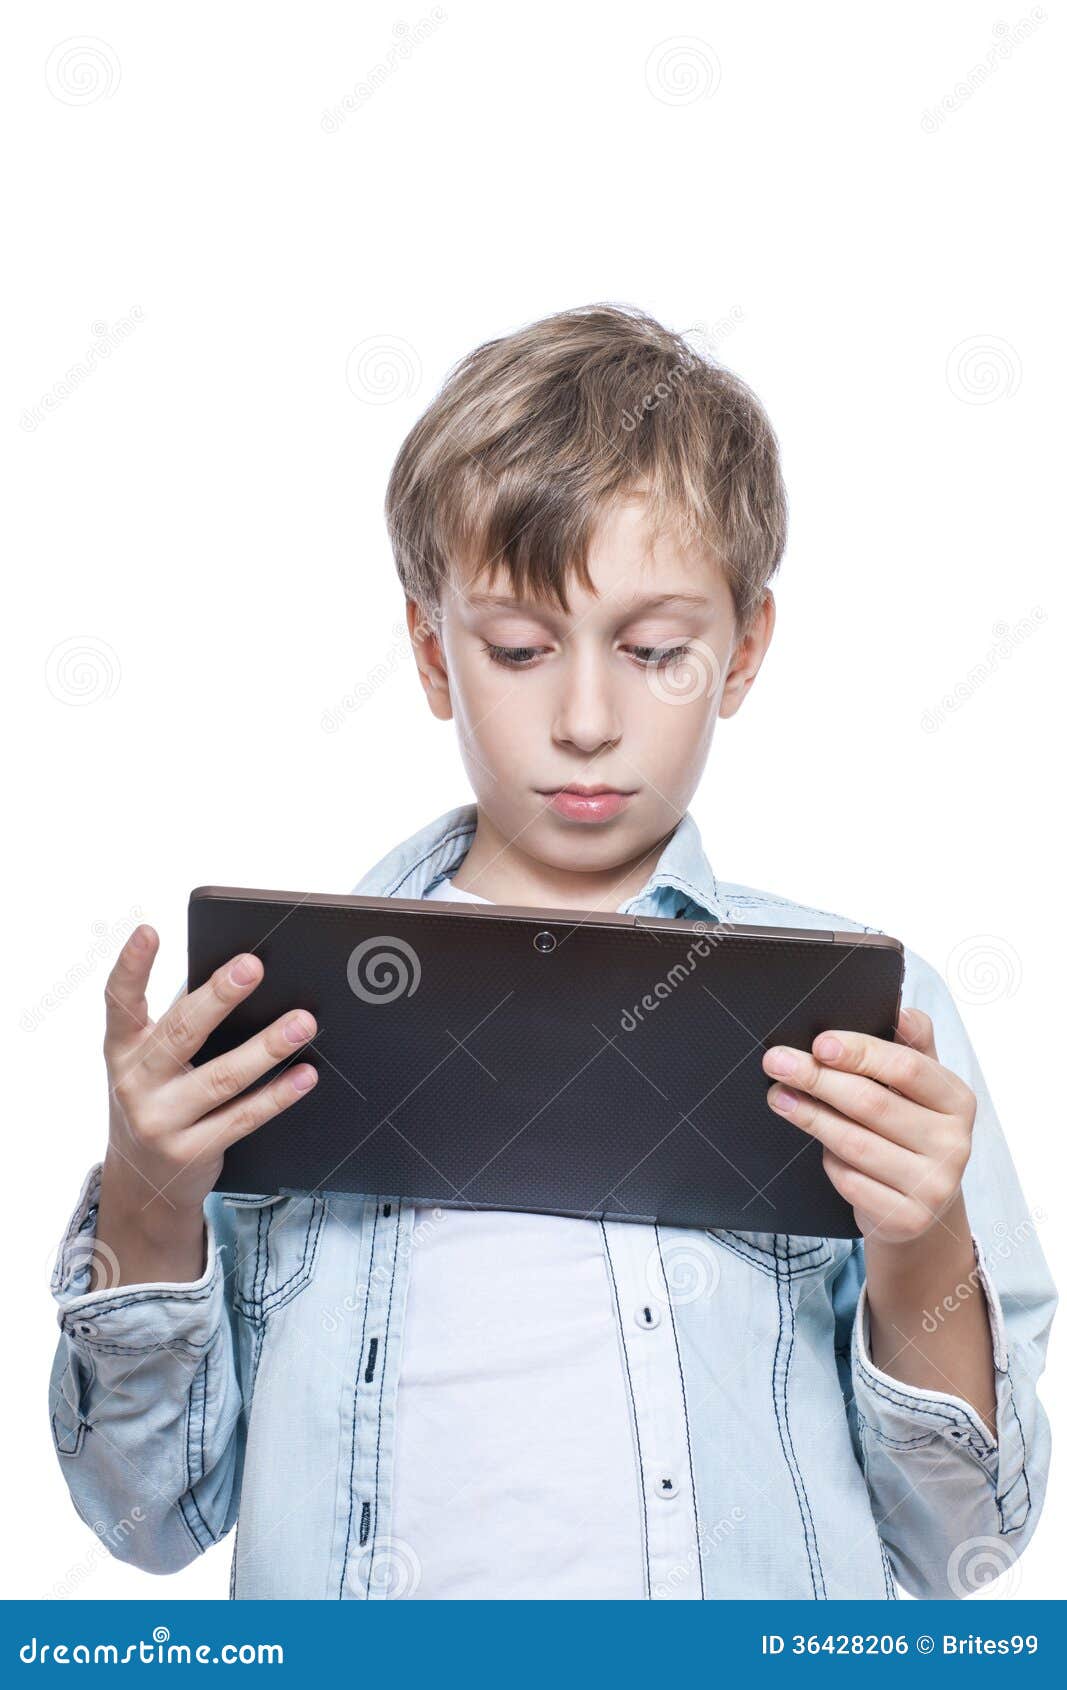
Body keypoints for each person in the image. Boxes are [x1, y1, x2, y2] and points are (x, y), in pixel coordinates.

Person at [49, 303, 1055, 1600]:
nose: (586, 717)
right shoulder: (277, 1018)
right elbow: (147, 1512)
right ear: (430, 651)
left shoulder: (870, 1020)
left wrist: (920, 1250)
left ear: (743, 650)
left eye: (654, 651)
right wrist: (145, 1194)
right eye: (520, 648)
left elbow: (958, 1539)